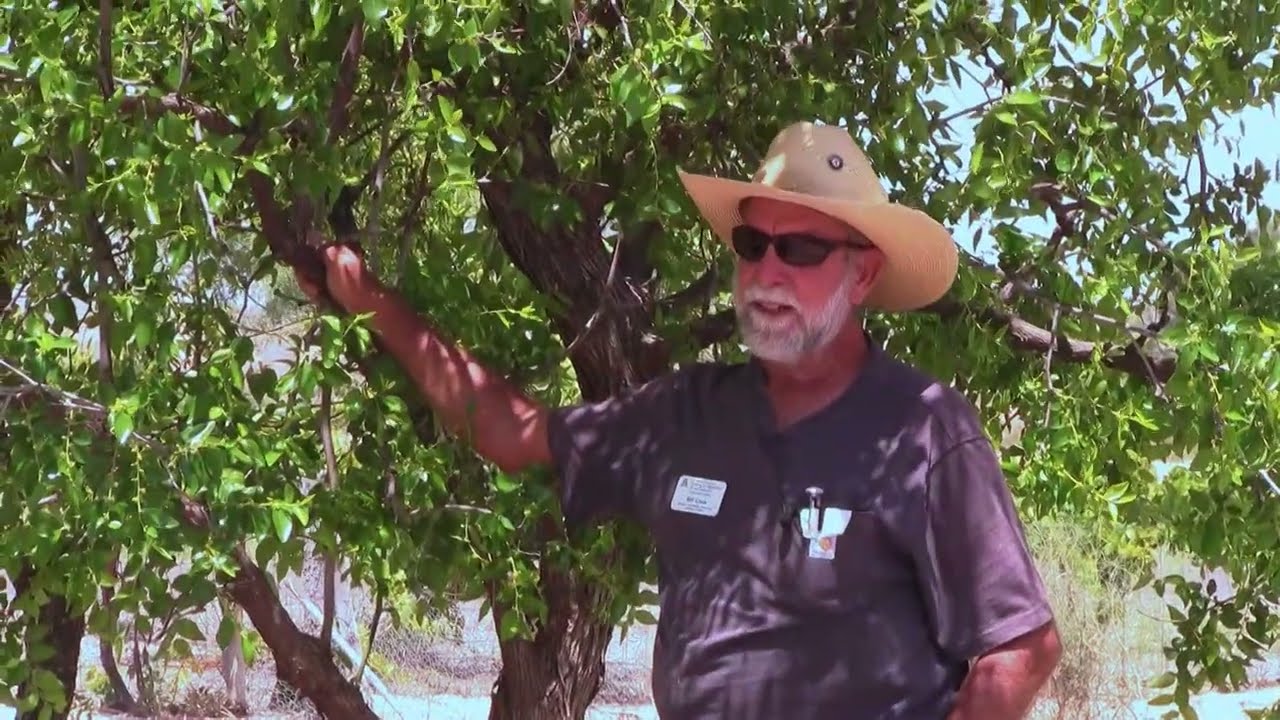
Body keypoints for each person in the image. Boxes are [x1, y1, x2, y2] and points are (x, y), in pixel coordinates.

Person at [297, 121, 1062, 719]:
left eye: (798, 248)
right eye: (751, 242)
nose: (766, 271)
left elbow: (1021, 647)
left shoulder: (923, 432)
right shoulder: (685, 412)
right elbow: (511, 432)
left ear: (862, 272)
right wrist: (375, 305)